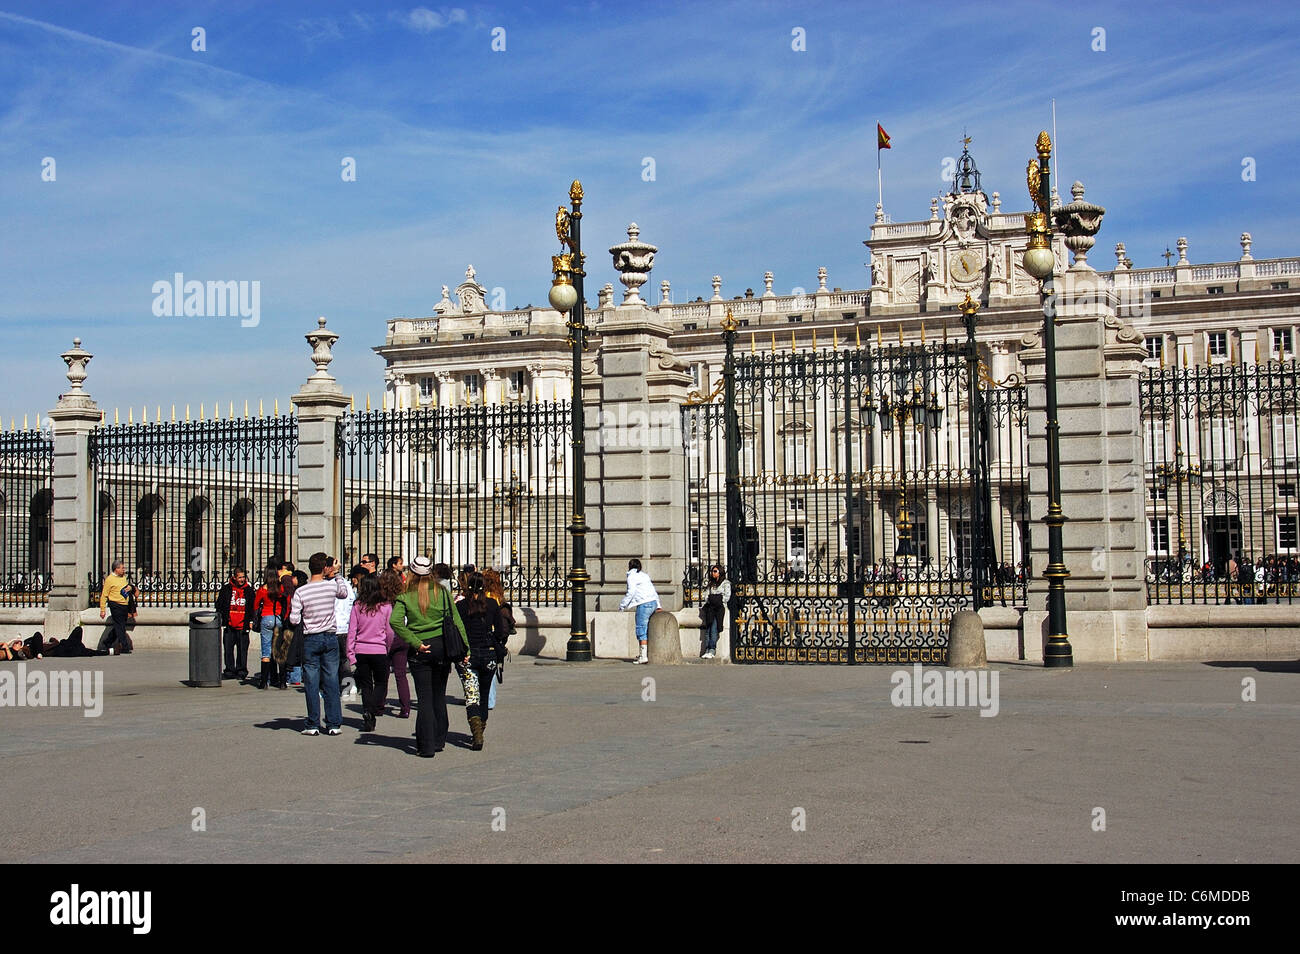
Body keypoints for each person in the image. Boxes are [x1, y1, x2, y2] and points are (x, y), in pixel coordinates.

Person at [391, 556, 469, 758]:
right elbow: (456, 621)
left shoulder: (405, 595)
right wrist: (466, 649)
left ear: (412, 573)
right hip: (441, 646)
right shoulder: (442, 592)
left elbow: (395, 622)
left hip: (420, 649)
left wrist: (415, 642)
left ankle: (426, 745)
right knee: (438, 695)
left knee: (424, 697)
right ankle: (439, 739)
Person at [289, 553, 350, 736]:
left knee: (312, 682)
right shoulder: (331, 587)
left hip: (311, 638)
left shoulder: (301, 591)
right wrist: (337, 573)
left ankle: (313, 724)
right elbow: (344, 593)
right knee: (331, 680)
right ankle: (333, 724)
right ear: (325, 568)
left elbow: (293, 619)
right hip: (330, 637)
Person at [458, 572, 507, 750]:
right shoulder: (492, 604)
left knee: (472, 696)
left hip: (468, 654)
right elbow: (501, 631)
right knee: (484, 694)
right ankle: (481, 730)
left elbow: (458, 630)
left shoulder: (462, 606)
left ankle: (476, 732)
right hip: (488, 654)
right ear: (484, 586)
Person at [346, 574, 394, 732]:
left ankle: (368, 713)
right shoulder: (386, 607)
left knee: (366, 685)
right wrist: (388, 648)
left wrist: (350, 653)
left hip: (361, 650)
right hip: (379, 649)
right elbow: (389, 632)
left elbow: (352, 631)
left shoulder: (358, 606)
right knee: (381, 683)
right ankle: (372, 708)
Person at [379, 568, 411, 718]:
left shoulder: (381, 600)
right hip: (402, 635)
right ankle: (405, 708)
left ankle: (380, 705)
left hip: (385, 637)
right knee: (401, 674)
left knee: (383, 674)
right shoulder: (403, 597)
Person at [481, 568, 514, 711]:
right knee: (492, 669)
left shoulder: (483, 596)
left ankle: (483, 698)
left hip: (484, 633)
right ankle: (490, 700)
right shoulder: (498, 597)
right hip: (496, 636)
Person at [216, 567, 256, 681]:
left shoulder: (249, 590)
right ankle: (229, 670)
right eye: (240, 577)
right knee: (228, 649)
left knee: (242, 650)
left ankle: (241, 670)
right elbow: (219, 604)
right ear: (234, 577)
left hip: (243, 625)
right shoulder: (226, 589)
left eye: (243, 577)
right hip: (229, 624)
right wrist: (223, 618)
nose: (242, 579)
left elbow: (253, 607)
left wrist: (251, 621)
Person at [253, 563, 288, 690]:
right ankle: (283, 682)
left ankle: (264, 682)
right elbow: (287, 601)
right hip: (278, 618)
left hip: (266, 618)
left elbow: (256, 605)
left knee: (266, 651)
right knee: (279, 650)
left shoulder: (263, 589)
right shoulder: (281, 588)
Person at [619, 558, 660, 664]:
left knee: (641, 629)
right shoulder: (644, 575)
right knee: (647, 629)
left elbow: (631, 592)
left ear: (630, 566)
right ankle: (643, 654)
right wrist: (658, 605)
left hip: (644, 604)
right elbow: (653, 591)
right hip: (653, 603)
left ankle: (643, 656)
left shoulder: (631, 576)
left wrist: (622, 605)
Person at [335, 564, 363, 699]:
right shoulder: (347, 586)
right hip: (345, 626)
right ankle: (349, 686)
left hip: (337, 627)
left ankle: (347, 686)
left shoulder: (334, 585)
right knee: (344, 660)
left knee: (339, 661)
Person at [97, 561, 135, 654]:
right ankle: (125, 647)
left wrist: (129, 588)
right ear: (116, 569)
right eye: (122, 568)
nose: (124, 570)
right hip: (115, 605)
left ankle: (107, 642)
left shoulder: (123, 578)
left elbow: (125, 588)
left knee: (119, 625)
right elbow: (104, 595)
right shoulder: (109, 579)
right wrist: (102, 609)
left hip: (124, 605)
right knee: (120, 626)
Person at [699, 564, 730, 659]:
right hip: (710, 609)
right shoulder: (711, 583)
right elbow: (706, 596)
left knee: (714, 629)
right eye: (712, 571)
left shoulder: (725, 583)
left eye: (715, 571)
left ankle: (712, 649)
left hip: (719, 609)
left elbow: (726, 597)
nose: (713, 573)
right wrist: (714, 598)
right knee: (708, 629)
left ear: (720, 572)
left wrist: (716, 599)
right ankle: (707, 649)